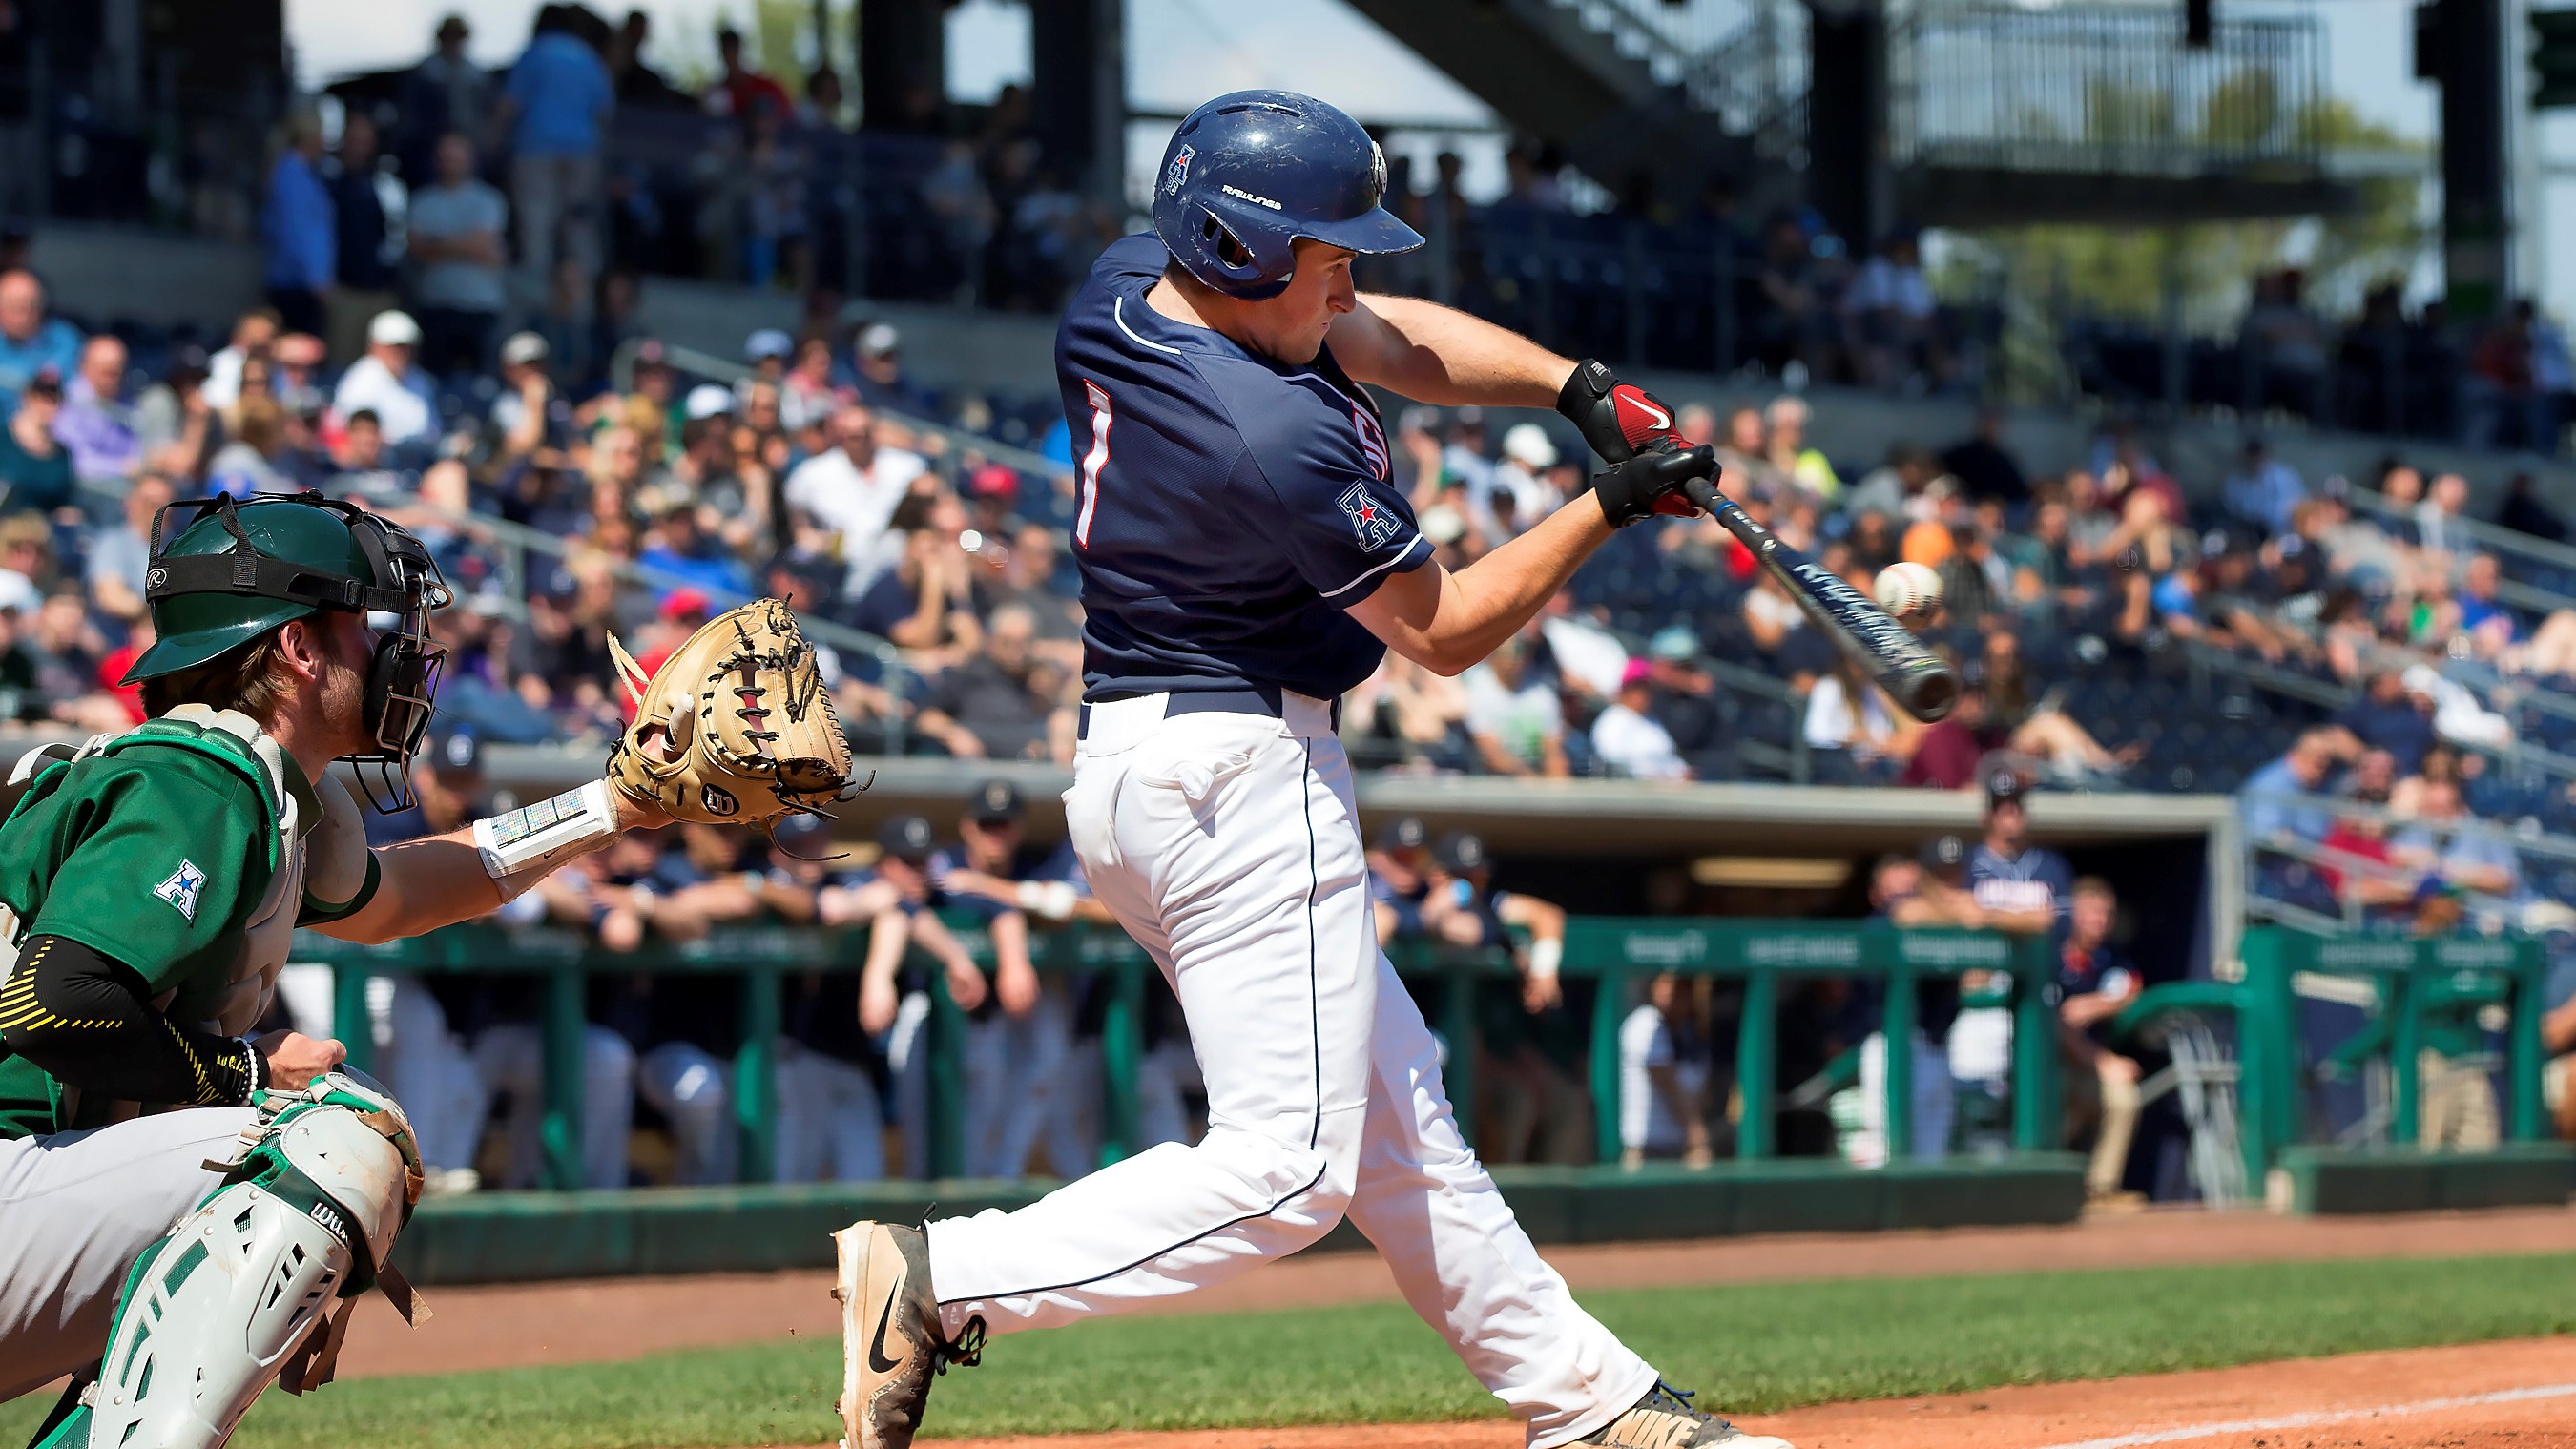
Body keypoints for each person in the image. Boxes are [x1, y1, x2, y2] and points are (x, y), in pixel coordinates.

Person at [832, 90, 1784, 1449]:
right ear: (1233, 250)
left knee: (1399, 1121)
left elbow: (1377, 332)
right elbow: (1444, 630)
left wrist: (1571, 389)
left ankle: (1595, 1404)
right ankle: (939, 1276)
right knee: (1291, 1167)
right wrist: (1611, 502)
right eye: (1328, 252)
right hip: (1241, 772)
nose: (1352, 275)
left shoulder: (1129, 284)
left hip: (1144, 766)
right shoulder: (1266, 432)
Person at [0, 492, 669, 1445]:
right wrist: (243, 1073)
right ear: (298, 650)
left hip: (25, 1193)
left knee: (307, 1129)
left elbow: (401, 896)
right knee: (335, 1134)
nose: (388, 651)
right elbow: (51, 1001)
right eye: (360, 624)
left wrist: (615, 803)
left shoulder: (244, 778)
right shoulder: (197, 777)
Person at [498, 6, 613, 291]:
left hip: (536, 147)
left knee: (537, 218)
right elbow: (604, 111)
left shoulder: (535, 52)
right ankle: (588, 291)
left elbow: (510, 104)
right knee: (579, 220)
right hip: (583, 151)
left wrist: (491, 137)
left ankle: (536, 288)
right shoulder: (588, 57)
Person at [2055, 877, 2144, 1207]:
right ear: (2073, 915)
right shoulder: (2052, 954)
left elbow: (2133, 988)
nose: (2101, 922)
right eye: (2093, 913)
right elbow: (2054, 1023)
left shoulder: (2110, 958)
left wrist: (2097, 1003)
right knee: (2058, 1111)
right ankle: (2048, 1188)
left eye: (2106, 915)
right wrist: (2103, 1062)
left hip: (2090, 1069)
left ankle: (2101, 1190)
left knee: (2124, 1098)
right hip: (2049, 1069)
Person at [405, 133, 509, 378]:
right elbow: (417, 250)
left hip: (481, 308)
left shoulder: (489, 200)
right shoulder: (422, 201)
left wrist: (437, 244)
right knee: (435, 383)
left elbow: (484, 244)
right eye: (445, 157)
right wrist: (468, 245)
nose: (451, 162)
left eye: (457, 156)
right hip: (436, 306)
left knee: (481, 385)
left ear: (470, 160)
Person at [260, 114, 335, 338]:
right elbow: (293, 230)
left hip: (302, 283)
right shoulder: (291, 173)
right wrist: (315, 279)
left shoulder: (306, 172)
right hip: (297, 285)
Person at [332, 310, 440, 450]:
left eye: (406, 347)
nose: (401, 353)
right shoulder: (361, 380)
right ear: (375, 345)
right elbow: (352, 434)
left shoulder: (420, 380)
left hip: (417, 457)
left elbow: (432, 431)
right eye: (394, 346)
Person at [1591, 656, 1689, 779]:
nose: (1644, 694)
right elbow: (1613, 763)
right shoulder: (1612, 720)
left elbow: (1669, 758)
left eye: (1648, 688)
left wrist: (1682, 772)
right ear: (1626, 689)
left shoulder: (1652, 720)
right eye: (1639, 687)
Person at [0, 268, 81, 414]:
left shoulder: (63, 339)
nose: (23, 316)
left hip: (52, 425)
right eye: (14, 307)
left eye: (30, 307)